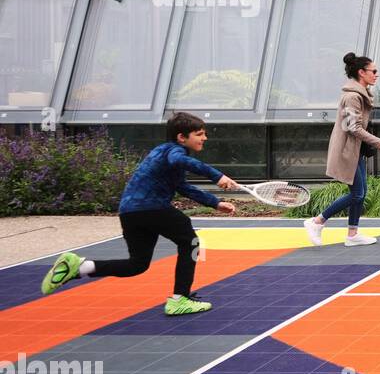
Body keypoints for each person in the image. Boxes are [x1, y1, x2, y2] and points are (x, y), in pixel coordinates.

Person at [40, 112, 238, 315]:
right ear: (181, 137)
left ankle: (80, 267)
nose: (205, 138)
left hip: (129, 212)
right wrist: (217, 176)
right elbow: (181, 162)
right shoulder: (174, 152)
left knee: (137, 265)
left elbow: (182, 186)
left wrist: (215, 203)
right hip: (151, 207)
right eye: (199, 134)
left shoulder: (163, 153)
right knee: (190, 242)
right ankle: (180, 299)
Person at [303, 52, 380, 247]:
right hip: (347, 150)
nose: (376, 75)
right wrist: (379, 142)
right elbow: (353, 127)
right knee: (357, 194)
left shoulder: (361, 94)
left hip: (355, 150)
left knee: (361, 192)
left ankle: (352, 234)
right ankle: (317, 222)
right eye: (373, 71)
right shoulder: (352, 96)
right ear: (362, 72)